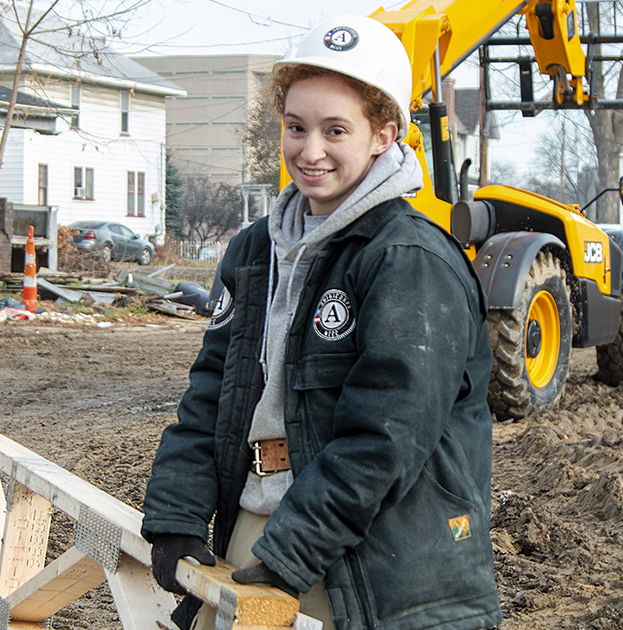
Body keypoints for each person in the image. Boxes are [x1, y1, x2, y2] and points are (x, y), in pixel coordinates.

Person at [141, 15, 502, 630]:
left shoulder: (407, 261)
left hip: (377, 561)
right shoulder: (259, 249)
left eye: (336, 130)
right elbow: (213, 389)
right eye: (296, 127)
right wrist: (177, 512)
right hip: (264, 521)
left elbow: (384, 438)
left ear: (385, 134)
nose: (310, 152)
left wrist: (293, 554)